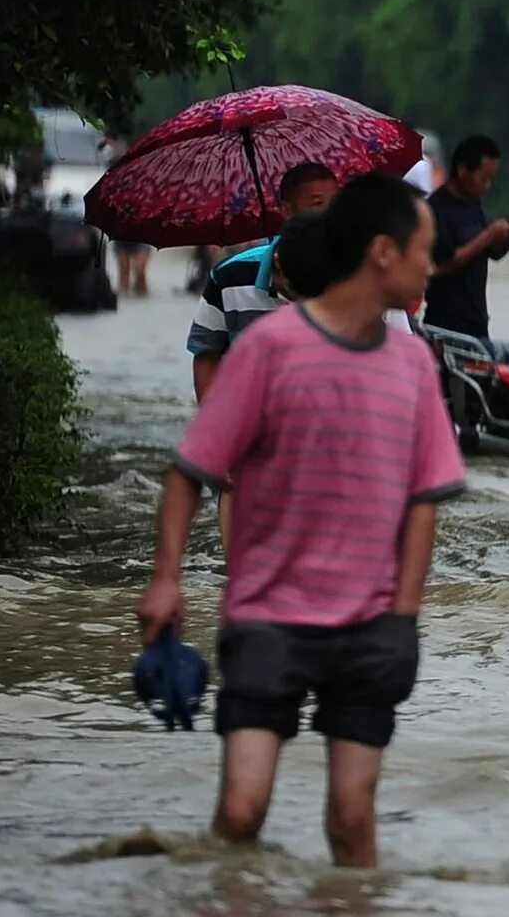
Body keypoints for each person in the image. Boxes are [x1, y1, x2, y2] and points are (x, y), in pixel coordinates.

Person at [138, 175, 464, 869]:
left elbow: (424, 498)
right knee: (241, 810)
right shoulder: (267, 349)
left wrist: (404, 616)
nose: (430, 268)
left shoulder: (411, 361)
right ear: (383, 252)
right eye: (423, 251)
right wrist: (166, 581)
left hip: (370, 626)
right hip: (268, 617)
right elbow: (190, 469)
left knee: (352, 822)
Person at [186, 161, 341, 400]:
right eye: (317, 204)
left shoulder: (357, 276)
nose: (329, 216)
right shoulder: (231, 277)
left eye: (336, 204)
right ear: (287, 211)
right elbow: (206, 354)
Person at [425, 134, 509, 343]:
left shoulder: (475, 205)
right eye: (483, 178)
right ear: (463, 170)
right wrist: (488, 235)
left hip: (477, 323)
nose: (487, 185)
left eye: (491, 179)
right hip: (445, 325)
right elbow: (442, 263)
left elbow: (494, 254)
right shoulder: (436, 209)